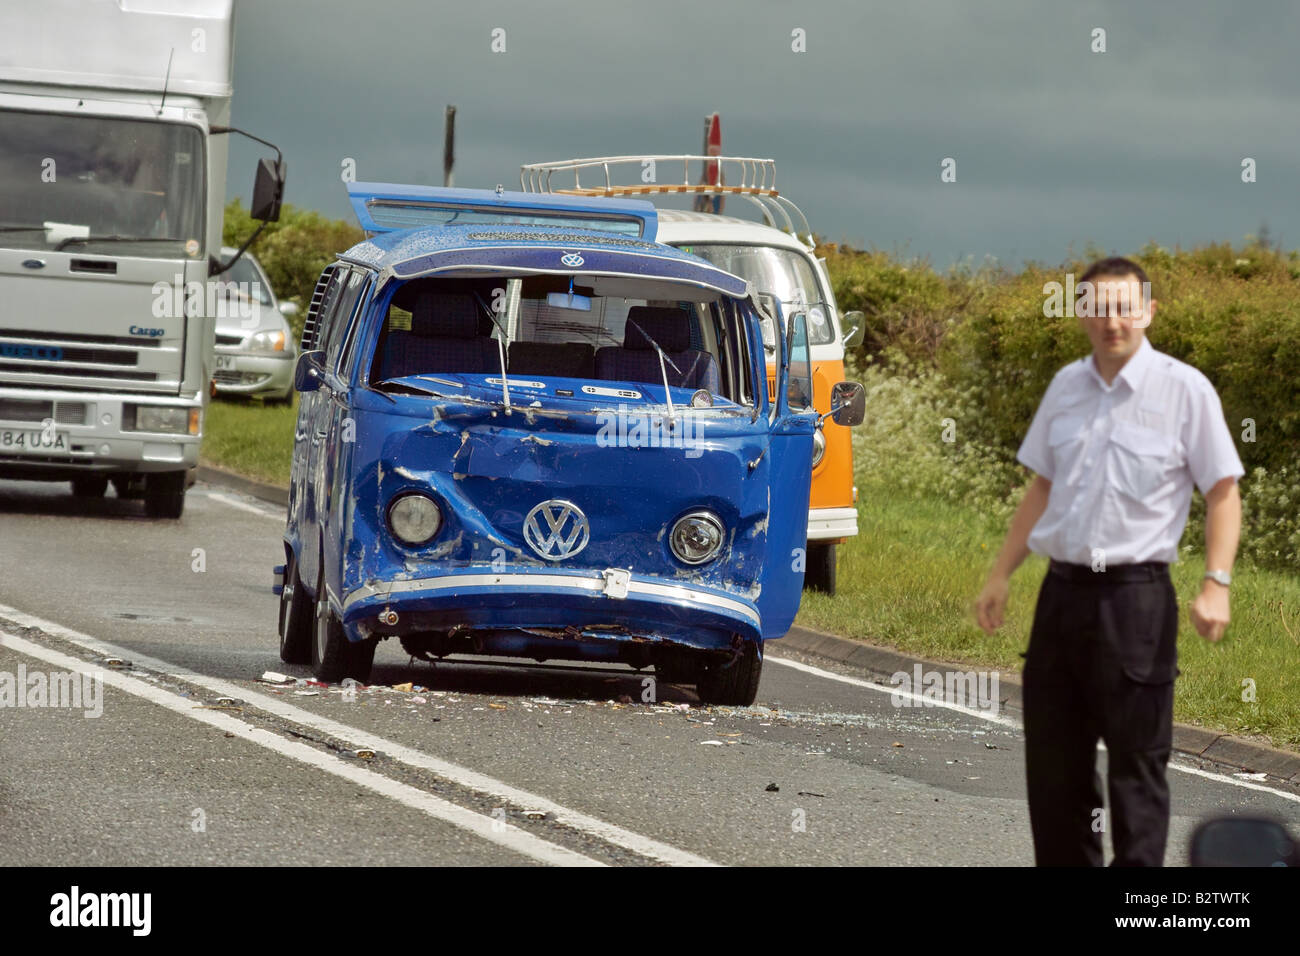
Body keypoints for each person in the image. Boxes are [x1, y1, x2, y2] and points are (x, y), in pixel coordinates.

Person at [974, 257, 1243, 866]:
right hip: (1061, 597)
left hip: (1137, 602)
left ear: (1147, 311)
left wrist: (1216, 582)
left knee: (1136, 766)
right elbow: (1042, 486)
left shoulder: (1184, 390)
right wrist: (1001, 574)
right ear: (1081, 315)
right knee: (1054, 769)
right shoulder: (1066, 387)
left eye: (1125, 307)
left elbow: (1223, 491)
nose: (1111, 320)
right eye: (1097, 308)